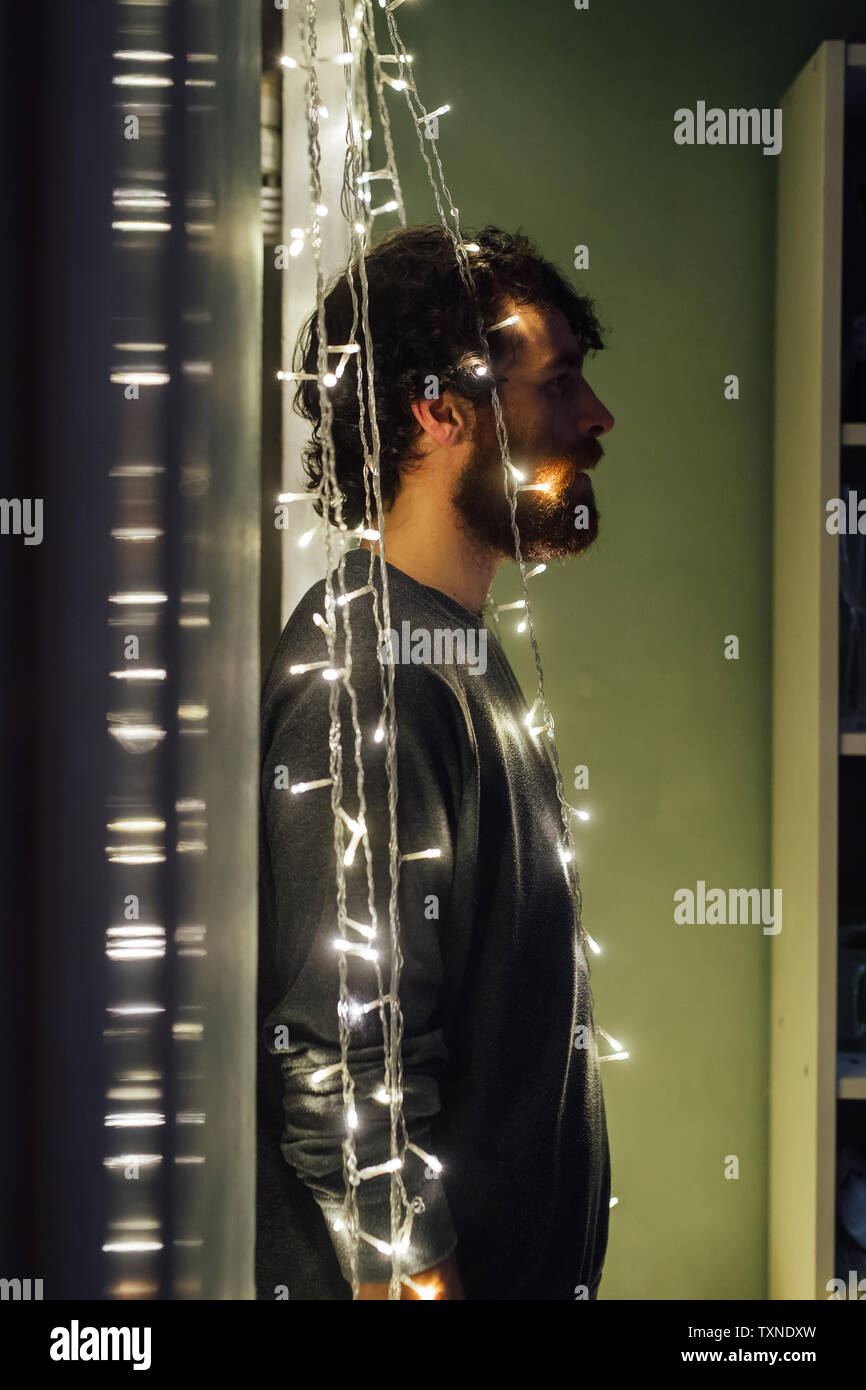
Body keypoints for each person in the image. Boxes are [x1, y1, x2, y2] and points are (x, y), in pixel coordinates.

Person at [256, 223, 615, 1300]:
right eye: (556, 384)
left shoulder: (444, 648)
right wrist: (417, 1275)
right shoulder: (373, 670)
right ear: (438, 408)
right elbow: (343, 1063)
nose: (595, 418)